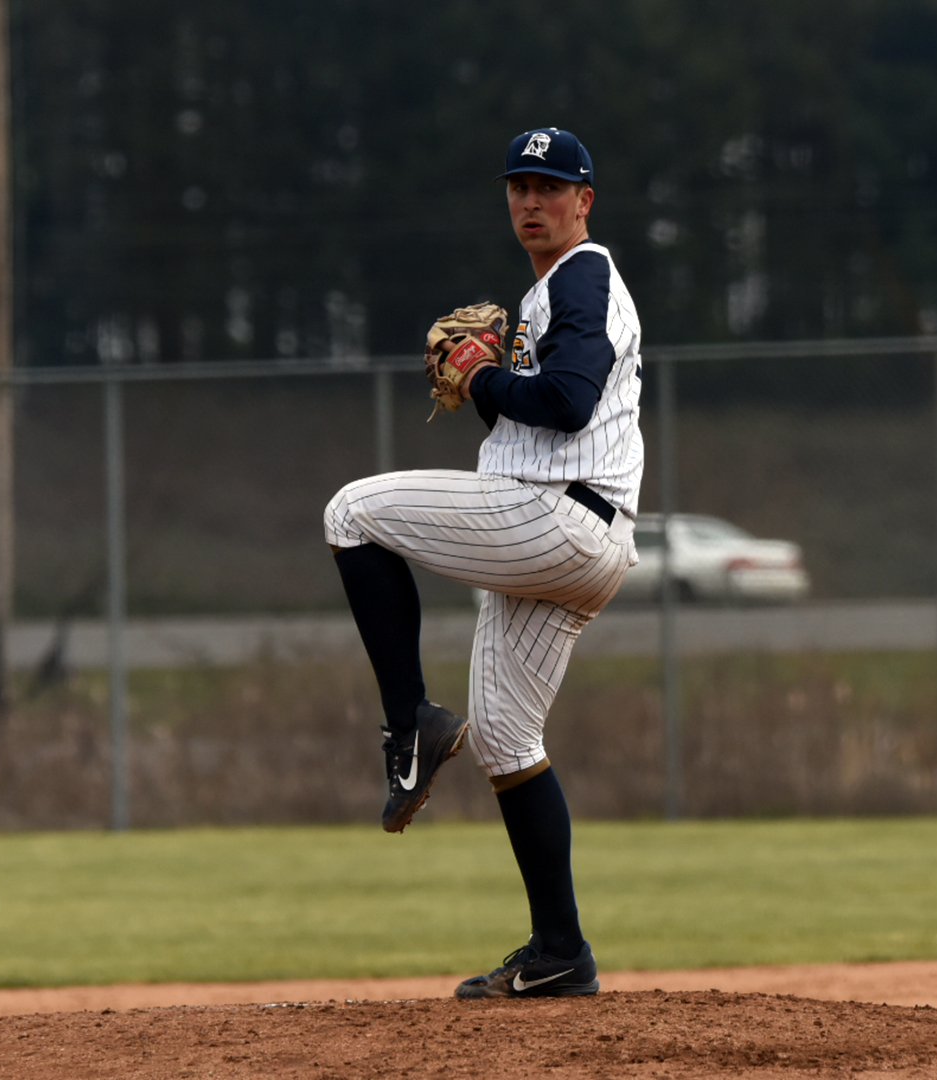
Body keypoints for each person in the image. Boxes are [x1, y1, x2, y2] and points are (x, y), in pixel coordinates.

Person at [322, 127, 643, 999]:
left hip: (558, 523)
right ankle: (561, 953)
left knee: (351, 513)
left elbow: (569, 405)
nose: (531, 202)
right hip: (569, 533)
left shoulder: (584, 277)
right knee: (506, 739)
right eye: (518, 187)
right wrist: (488, 387)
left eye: (550, 186)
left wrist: (484, 380)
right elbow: (534, 417)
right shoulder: (545, 295)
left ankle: (410, 725)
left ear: (585, 200)